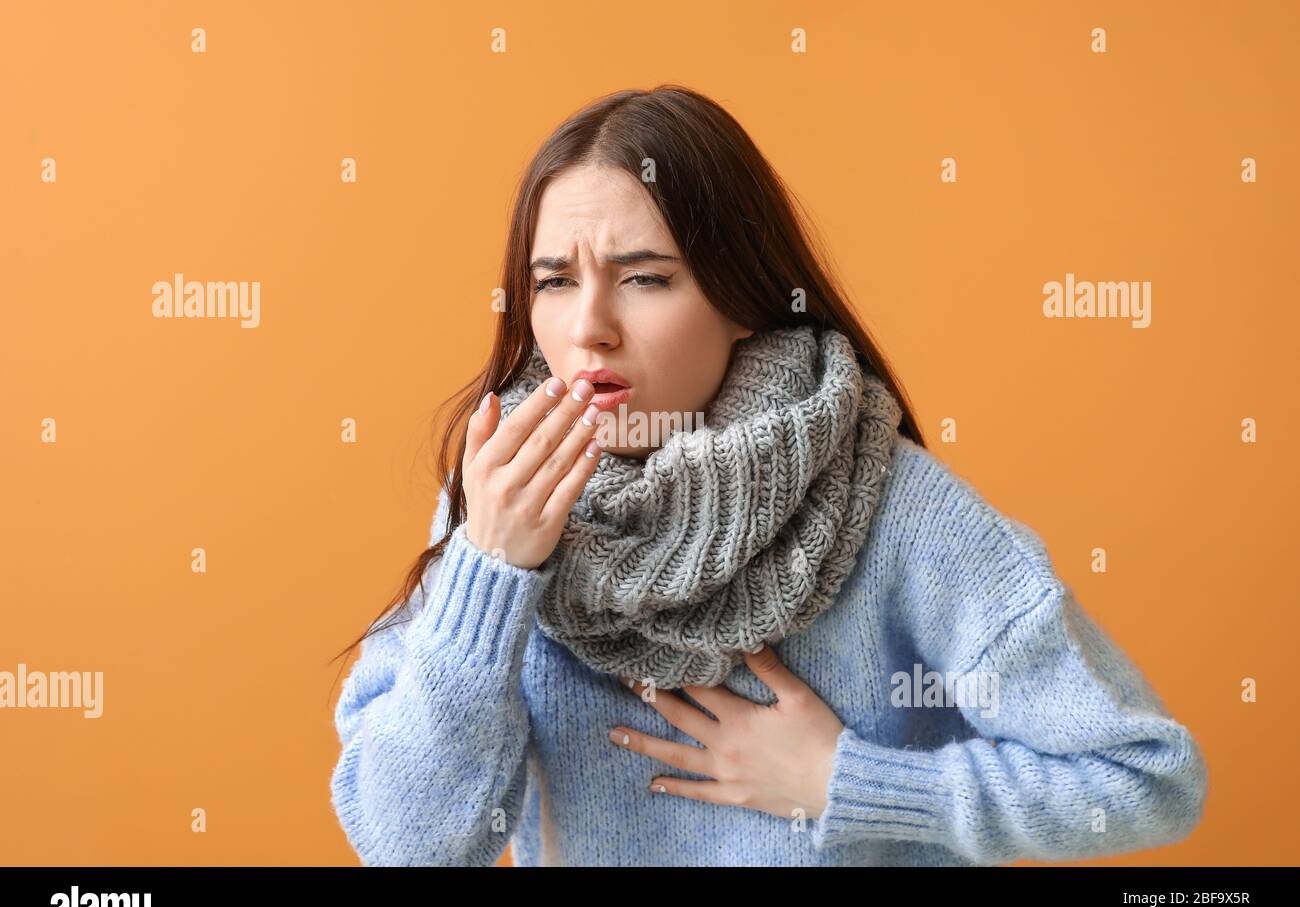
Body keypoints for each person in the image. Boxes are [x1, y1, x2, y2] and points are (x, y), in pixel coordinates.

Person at [328, 85, 1208, 866]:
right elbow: (413, 847)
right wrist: (490, 570)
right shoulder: (501, 496)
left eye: (645, 279)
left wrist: (844, 784)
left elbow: (1146, 779)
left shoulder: (894, 507)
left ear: (742, 298)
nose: (588, 327)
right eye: (554, 282)